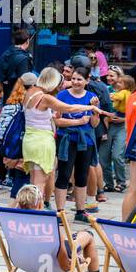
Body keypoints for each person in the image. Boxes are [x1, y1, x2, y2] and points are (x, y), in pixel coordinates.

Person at [14, 184, 102, 272]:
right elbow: (61, 249)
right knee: (88, 236)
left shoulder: (12, 220)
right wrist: (68, 263)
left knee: (38, 245)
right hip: (57, 259)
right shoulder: (48, 220)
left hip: (26, 260)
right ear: (40, 203)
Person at [54, 64, 101, 223]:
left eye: (79, 79)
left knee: (82, 175)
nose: (75, 82)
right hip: (66, 138)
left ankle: (80, 211)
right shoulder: (62, 95)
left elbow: (94, 124)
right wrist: (78, 122)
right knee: (64, 174)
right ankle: (60, 212)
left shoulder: (92, 98)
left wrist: (94, 110)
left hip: (85, 140)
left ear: (87, 80)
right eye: (73, 78)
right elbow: (57, 121)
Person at [102, 70, 133, 193]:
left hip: (122, 126)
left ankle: (121, 182)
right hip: (108, 126)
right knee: (103, 157)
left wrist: (123, 118)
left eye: (120, 82)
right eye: (108, 75)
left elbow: (133, 115)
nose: (118, 83)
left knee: (117, 155)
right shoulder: (108, 89)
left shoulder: (126, 93)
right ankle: (108, 183)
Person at [0, 28, 33, 93]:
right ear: (27, 41)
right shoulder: (23, 58)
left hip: (5, 93)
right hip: (17, 97)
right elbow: (24, 81)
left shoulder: (4, 54)